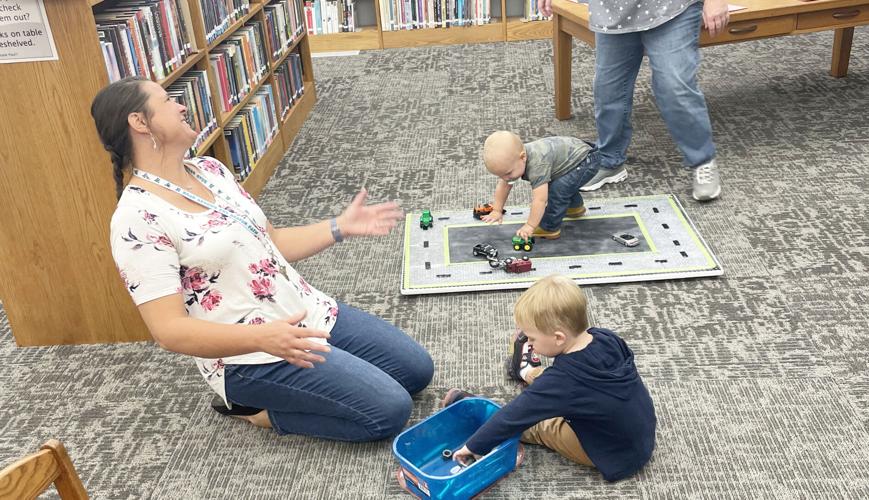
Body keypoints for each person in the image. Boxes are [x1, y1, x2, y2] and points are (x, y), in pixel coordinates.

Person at [91, 76, 433, 442]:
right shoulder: (137, 218)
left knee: (416, 372)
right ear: (140, 123)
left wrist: (340, 226)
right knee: (390, 410)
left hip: (303, 311)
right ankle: (258, 412)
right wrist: (262, 338)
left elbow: (273, 242)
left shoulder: (210, 170)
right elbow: (169, 331)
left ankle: (332, 375)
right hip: (250, 354)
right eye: (166, 101)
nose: (181, 105)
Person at [443, 275, 656, 482]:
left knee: (541, 425)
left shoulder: (564, 380)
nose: (530, 342)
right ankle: (527, 372)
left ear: (558, 337)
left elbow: (516, 415)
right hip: (640, 433)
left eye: (532, 338)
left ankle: (483, 413)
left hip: (610, 453)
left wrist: (472, 447)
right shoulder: (605, 337)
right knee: (552, 385)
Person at [538, 0, 729, 201]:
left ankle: (702, 160)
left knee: (674, 87)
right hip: (614, 11)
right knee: (608, 89)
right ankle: (610, 159)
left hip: (673, 8)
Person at [481, 131, 599, 240]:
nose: (505, 178)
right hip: (576, 157)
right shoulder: (516, 160)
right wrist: (497, 210)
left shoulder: (537, 166)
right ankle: (575, 207)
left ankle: (549, 227)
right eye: (500, 175)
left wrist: (530, 225)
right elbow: (504, 185)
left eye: (508, 173)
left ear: (523, 157)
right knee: (565, 186)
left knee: (557, 190)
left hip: (586, 161)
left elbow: (540, 200)